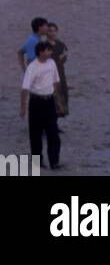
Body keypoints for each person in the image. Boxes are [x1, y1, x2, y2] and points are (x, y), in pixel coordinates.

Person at [20, 42, 62, 170]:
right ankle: (37, 162)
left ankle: (54, 162)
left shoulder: (52, 63)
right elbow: (25, 89)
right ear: (41, 52)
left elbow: (56, 83)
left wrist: (59, 102)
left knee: (53, 133)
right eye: (48, 50)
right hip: (36, 102)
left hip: (49, 101)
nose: (50, 52)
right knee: (36, 134)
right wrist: (23, 107)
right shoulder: (32, 67)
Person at [45, 24, 69, 117]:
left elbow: (64, 57)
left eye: (54, 31)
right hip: (48, 75)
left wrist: (60, 59)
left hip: (60, 73)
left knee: (62, 95)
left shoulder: (61, 45)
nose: (52, 33)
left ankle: (56, 122)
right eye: (50, 31)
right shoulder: (44, 45)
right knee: (51, 98)